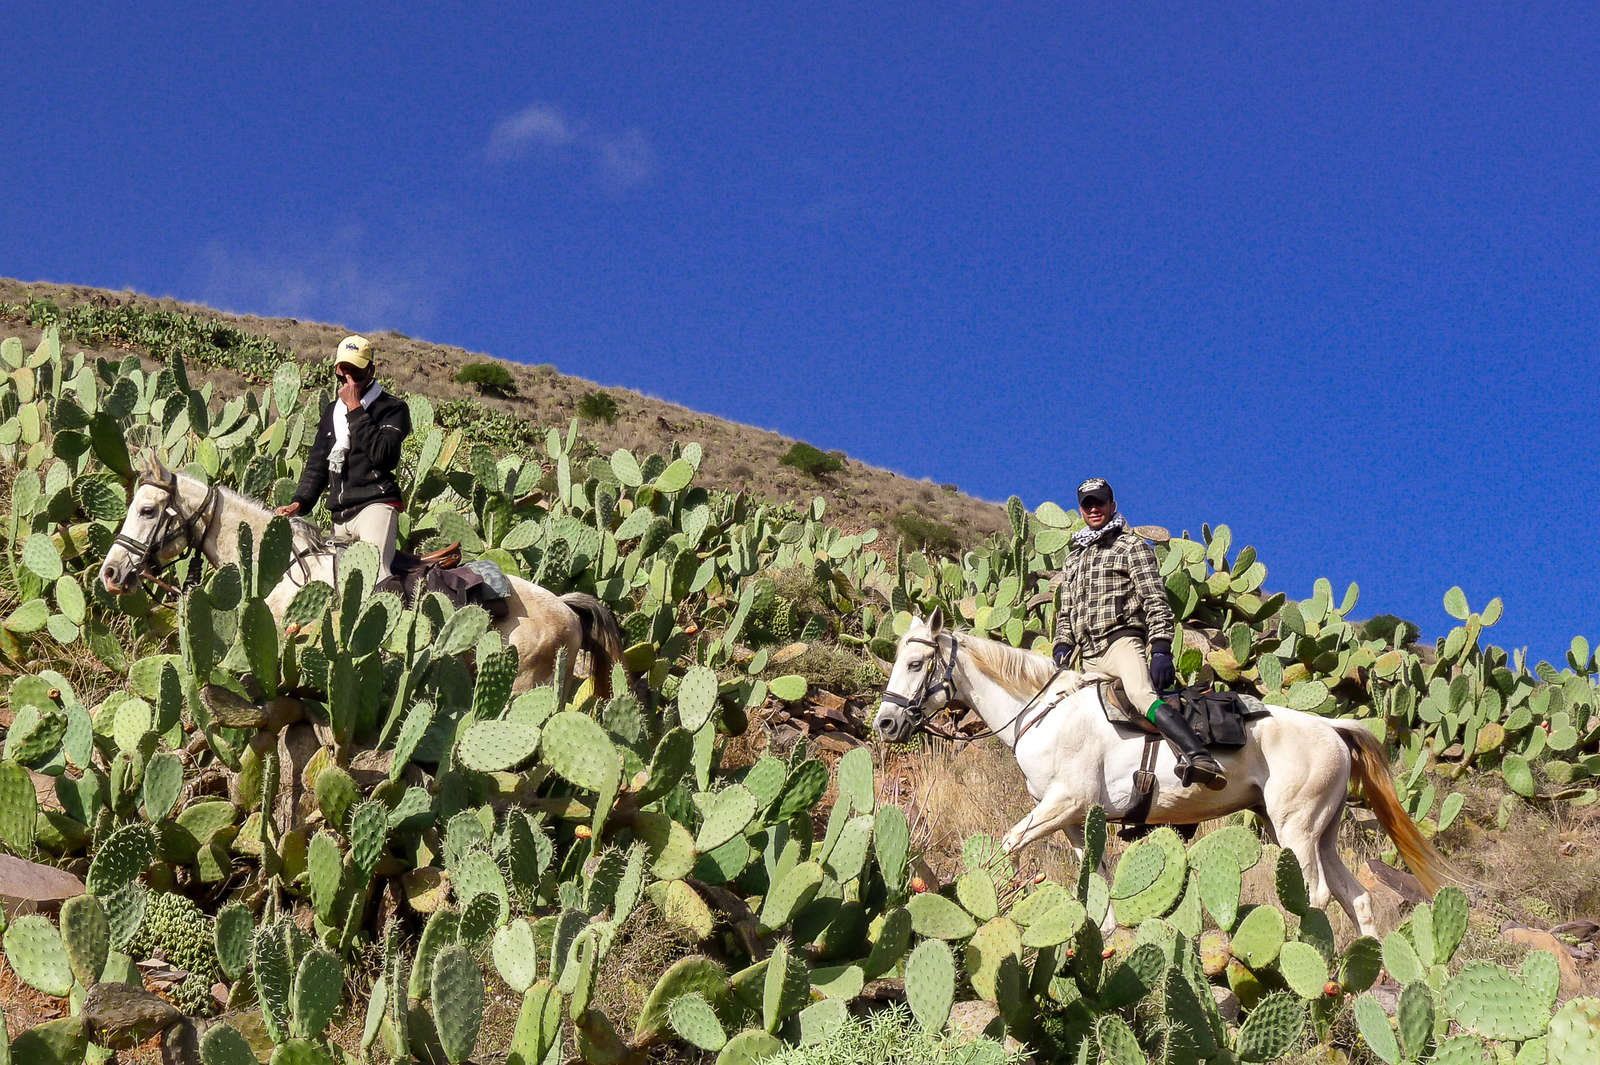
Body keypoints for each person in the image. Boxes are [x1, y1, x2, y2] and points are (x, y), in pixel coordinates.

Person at [1051, 477, 1227, 789]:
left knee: (1142, 696)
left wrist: (1160, 647)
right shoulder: (1073, 559)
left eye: (1100, 502)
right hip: (1087, 657)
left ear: (1112, 505)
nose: (1094, 509)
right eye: (1088, 504)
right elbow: (1066, 611)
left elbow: (1155, 600)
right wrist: (1062, 643)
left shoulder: (1131, 547)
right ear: (1080, 510)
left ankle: (1199, 756)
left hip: (1120, 643)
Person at [276, 335, 412, 582]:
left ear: (371, 371)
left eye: (355, 373)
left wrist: (356, 409)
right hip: (340, 514)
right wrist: (299, 503)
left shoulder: (393, 408)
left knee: (376, 577)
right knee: (337, 583)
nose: (348, 380)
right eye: (342, 373)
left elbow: (383, 456)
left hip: (375, 505)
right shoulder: (332, 411)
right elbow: (318, 464)